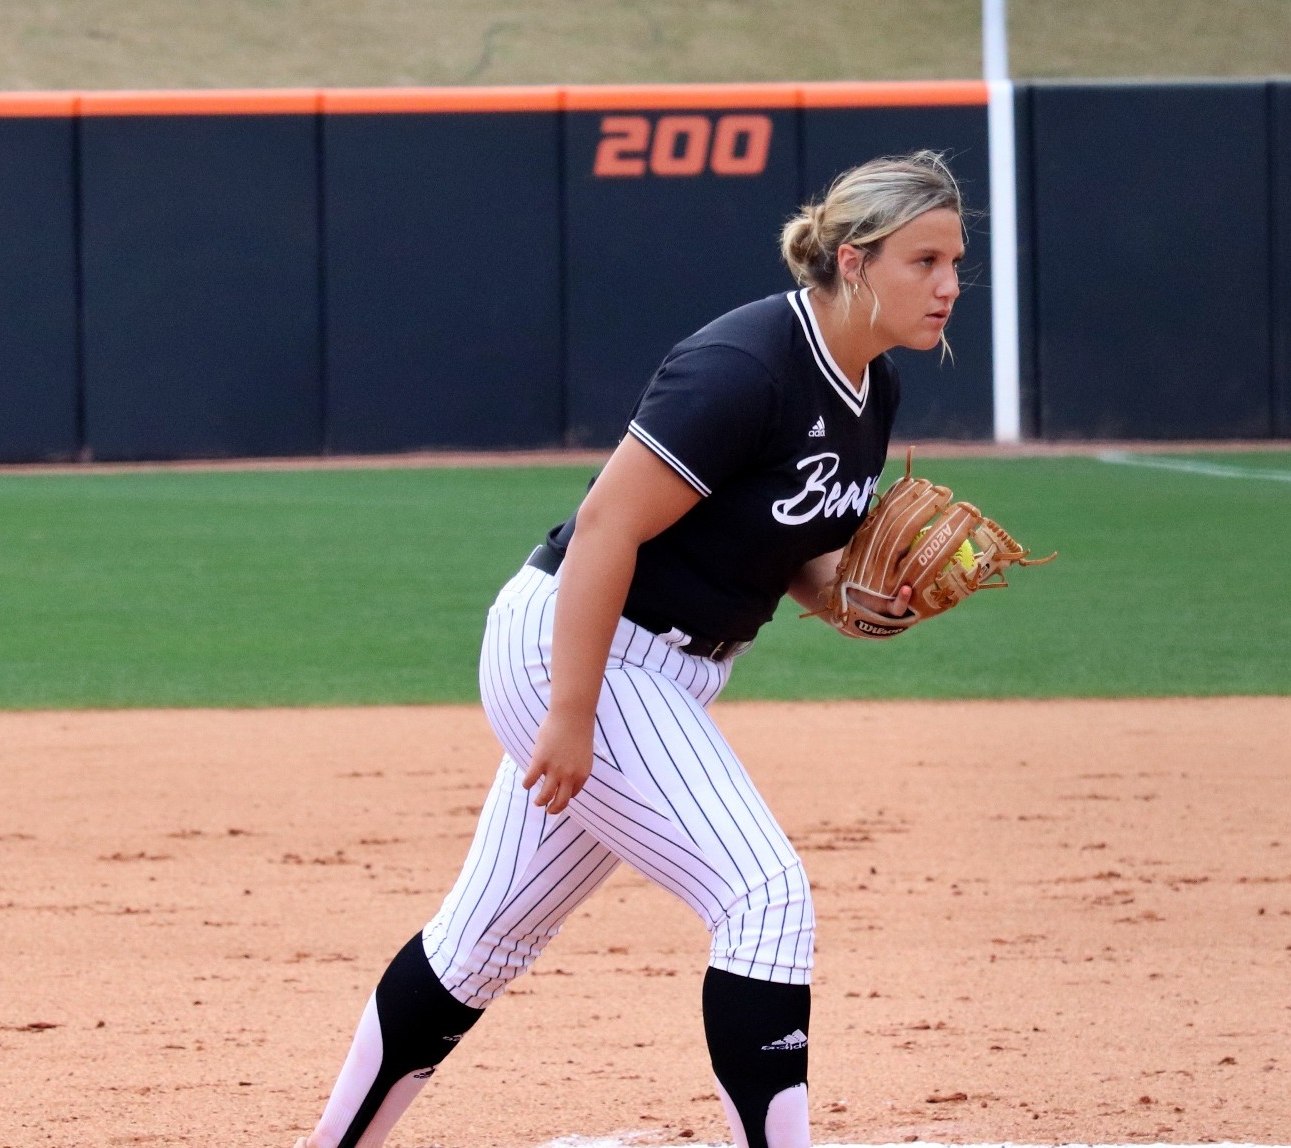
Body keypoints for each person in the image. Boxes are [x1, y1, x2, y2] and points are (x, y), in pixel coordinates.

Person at [297, 151, 969, 1148]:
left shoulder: (874, 391)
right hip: (584, 647)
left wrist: (855, 601)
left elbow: (792, 550)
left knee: (480, 940)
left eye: (956, 259)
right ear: (856, 260)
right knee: (764, 894)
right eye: (926, 259)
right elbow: (606, 525)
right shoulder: (747, 365)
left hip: (661, 672)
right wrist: (569, 711)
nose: (951, 283)